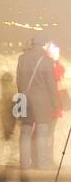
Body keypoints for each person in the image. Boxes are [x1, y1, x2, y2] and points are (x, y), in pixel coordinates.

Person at [16, 40, 58, 170]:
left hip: (25, 98)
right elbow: (51, 85)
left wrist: (22, 94)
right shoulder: (47, 61)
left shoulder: (22, 58)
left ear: (32, 44)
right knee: (42, 133)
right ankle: (42, 163)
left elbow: (18, 79)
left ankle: (24, 163)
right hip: (42, 101)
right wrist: (54, 102)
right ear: (43, 44)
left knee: (25, 132)